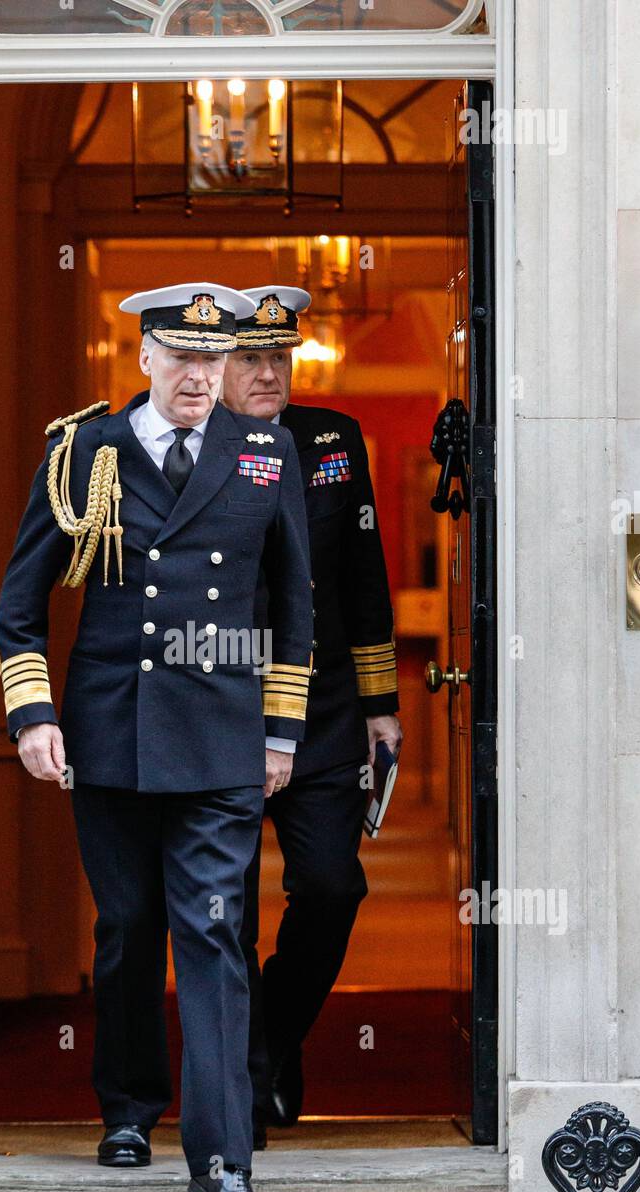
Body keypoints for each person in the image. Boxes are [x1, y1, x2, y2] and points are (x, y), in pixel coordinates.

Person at [0, 283, 313, 1192]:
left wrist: (281, 733)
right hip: (113, 730)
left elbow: (293, 604)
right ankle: (128, 1106)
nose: (200, 380)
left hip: (220, 737)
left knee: (213, 938)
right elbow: (19, 603)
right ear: (142, 360)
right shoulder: (85, 450)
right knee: (129, 925)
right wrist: (33, 716)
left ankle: (226, 1165)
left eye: (212, 363)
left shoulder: (264, 449)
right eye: (181, 360)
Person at [222, 285, 403, 1146]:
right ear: (211, 368)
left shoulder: (331, 440)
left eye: (279, 358)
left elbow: (363, 573)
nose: (269, 374)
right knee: (222, 903)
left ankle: (270, 1035)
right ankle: (242, 1083)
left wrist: (382, 705)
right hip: (218, 703)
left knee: (333, 885)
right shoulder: (186, 445)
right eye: (250, 360)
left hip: (326, 707)